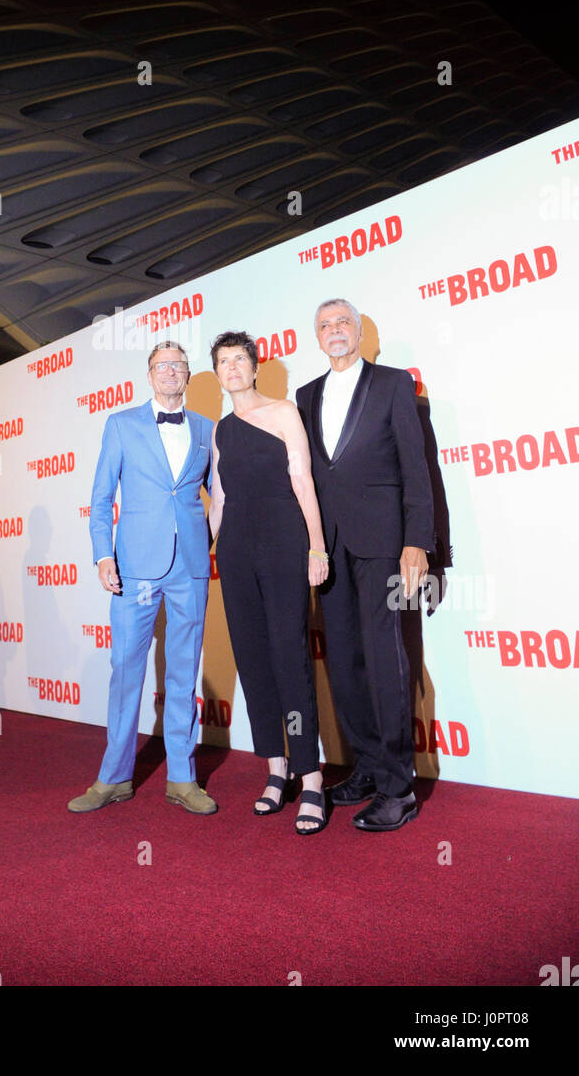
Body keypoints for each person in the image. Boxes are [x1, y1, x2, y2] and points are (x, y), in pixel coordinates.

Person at [296, 299, 434, 832]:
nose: (334, 331)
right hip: (328, 548)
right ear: (318, 336)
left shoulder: (395, 384)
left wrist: (416, 540)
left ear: (360, 332)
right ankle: (370, 768)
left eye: (343, 323)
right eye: (324, 325)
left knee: (385, 660)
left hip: (384, 544)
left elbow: (416, 466)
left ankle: (399, 788)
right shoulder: (305, 396)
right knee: (347, 664)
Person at [68, 342, 216, 815]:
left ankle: (182, 777)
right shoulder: (122, 424)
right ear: (149, 375)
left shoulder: (207, 430)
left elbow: (223, 497)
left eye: (177, 365)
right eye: (161, 366)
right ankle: (113, 777)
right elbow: (99, 497)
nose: (170, 372)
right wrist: (101, 555)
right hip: (133, 567)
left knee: (183, 671)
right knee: (126, 671)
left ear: (189, 374)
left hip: (190, 568)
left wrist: (214, 541)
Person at [209, 332, 330, 834]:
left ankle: (311, 776)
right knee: (252, 659)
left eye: (240, 358)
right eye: (223, 361)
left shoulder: (283, 413)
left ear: (255, 367)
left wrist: (317, 546)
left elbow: (303, 480)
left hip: (283, 543)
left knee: (289, 656)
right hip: (235, 550)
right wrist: (210, 551)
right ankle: (275, 768)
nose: (232, 367)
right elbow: (218, 497)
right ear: (217, 373)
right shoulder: (220, 429)